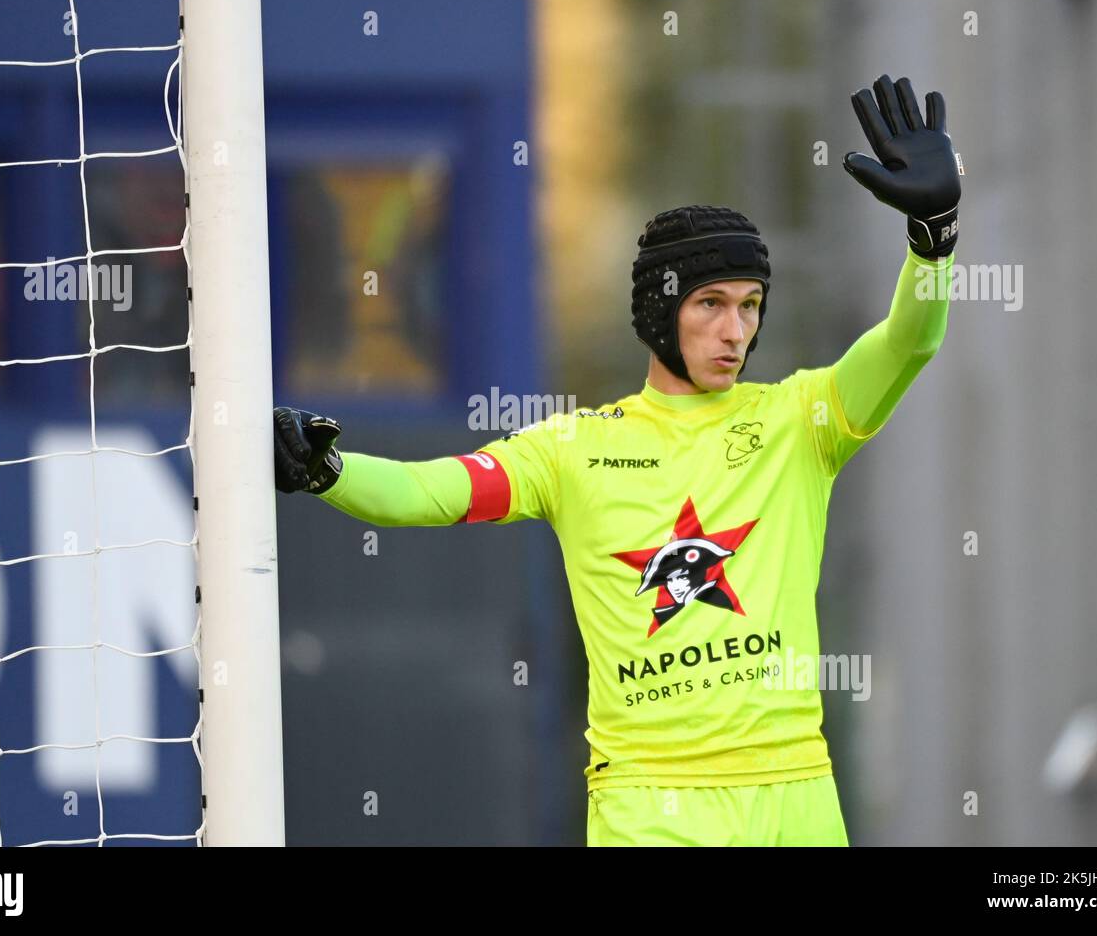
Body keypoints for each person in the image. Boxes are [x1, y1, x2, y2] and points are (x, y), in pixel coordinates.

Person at [273, 74, 960, 846]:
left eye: (750, 305)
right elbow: (427, 492)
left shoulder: (802, 420)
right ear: (659, 313)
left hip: (794, 793)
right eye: (711, 303)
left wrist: (933, 236)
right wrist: (323, 470)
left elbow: (909, 343)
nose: (735, 330)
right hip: (649, 803)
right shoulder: (574, 448)